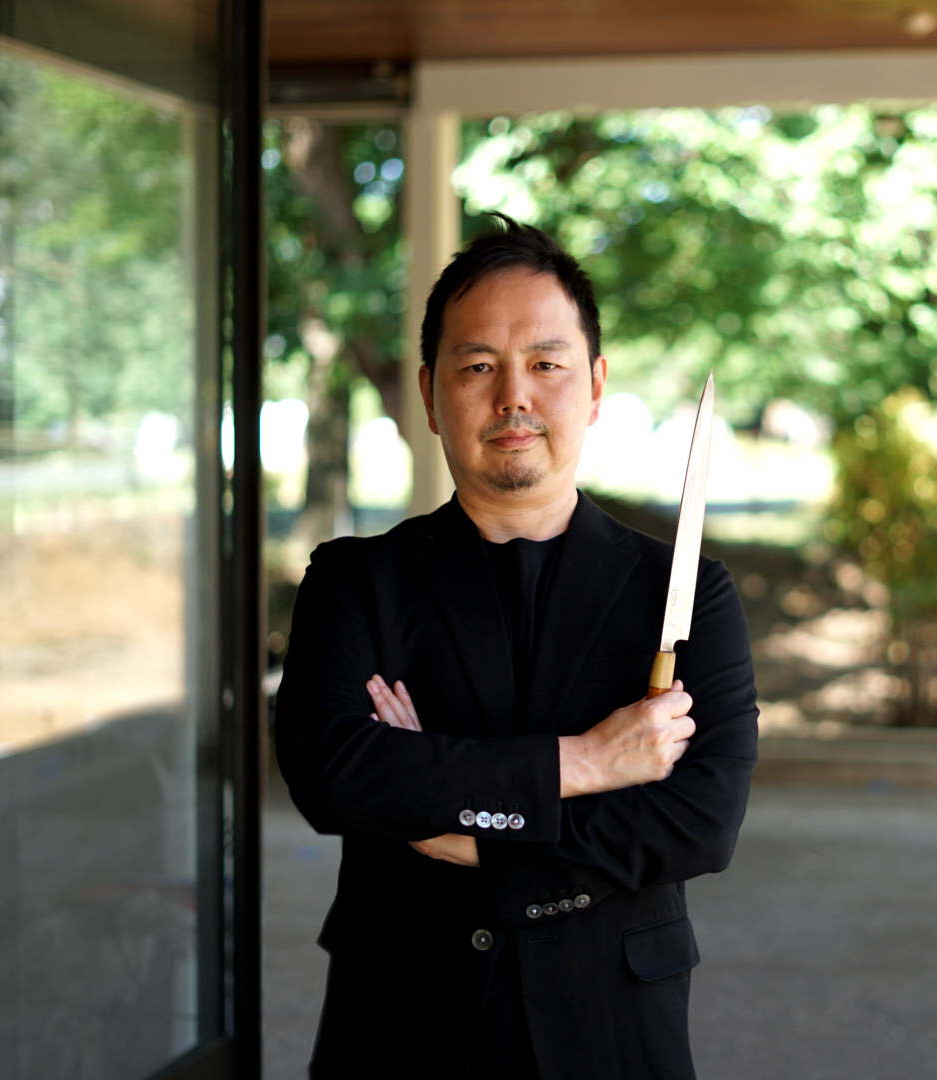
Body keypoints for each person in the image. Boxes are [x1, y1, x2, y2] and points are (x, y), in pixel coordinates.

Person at [274, 213, 759, 1080]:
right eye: (477, 367)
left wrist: (472, 826)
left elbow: (698, 823)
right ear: (429, 393)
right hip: (399, 1029)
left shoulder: (683, 595)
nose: (514, 397)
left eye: (545, 364)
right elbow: (335, 774)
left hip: (609, 1031)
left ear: (597, 385)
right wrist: (585, 762)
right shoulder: (355, 583)